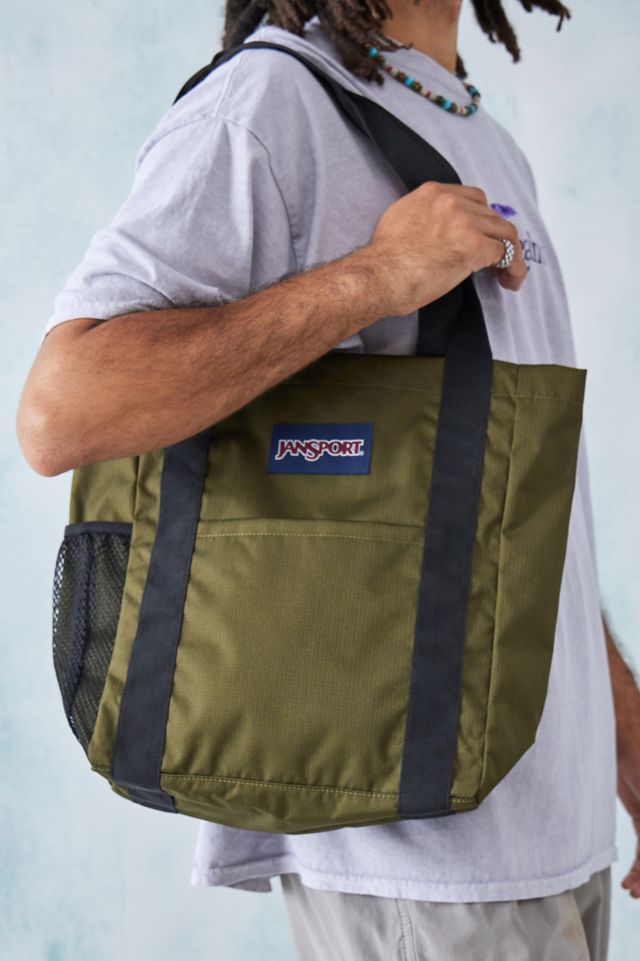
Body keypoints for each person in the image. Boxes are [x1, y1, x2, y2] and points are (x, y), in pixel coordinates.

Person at [16, 0, 640, 958]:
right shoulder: (268, 106)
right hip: (417, 866)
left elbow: (514, 509)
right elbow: (64, 409)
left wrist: (622, 732)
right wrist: (379, 275)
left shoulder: (478, 129)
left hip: (555, 835)